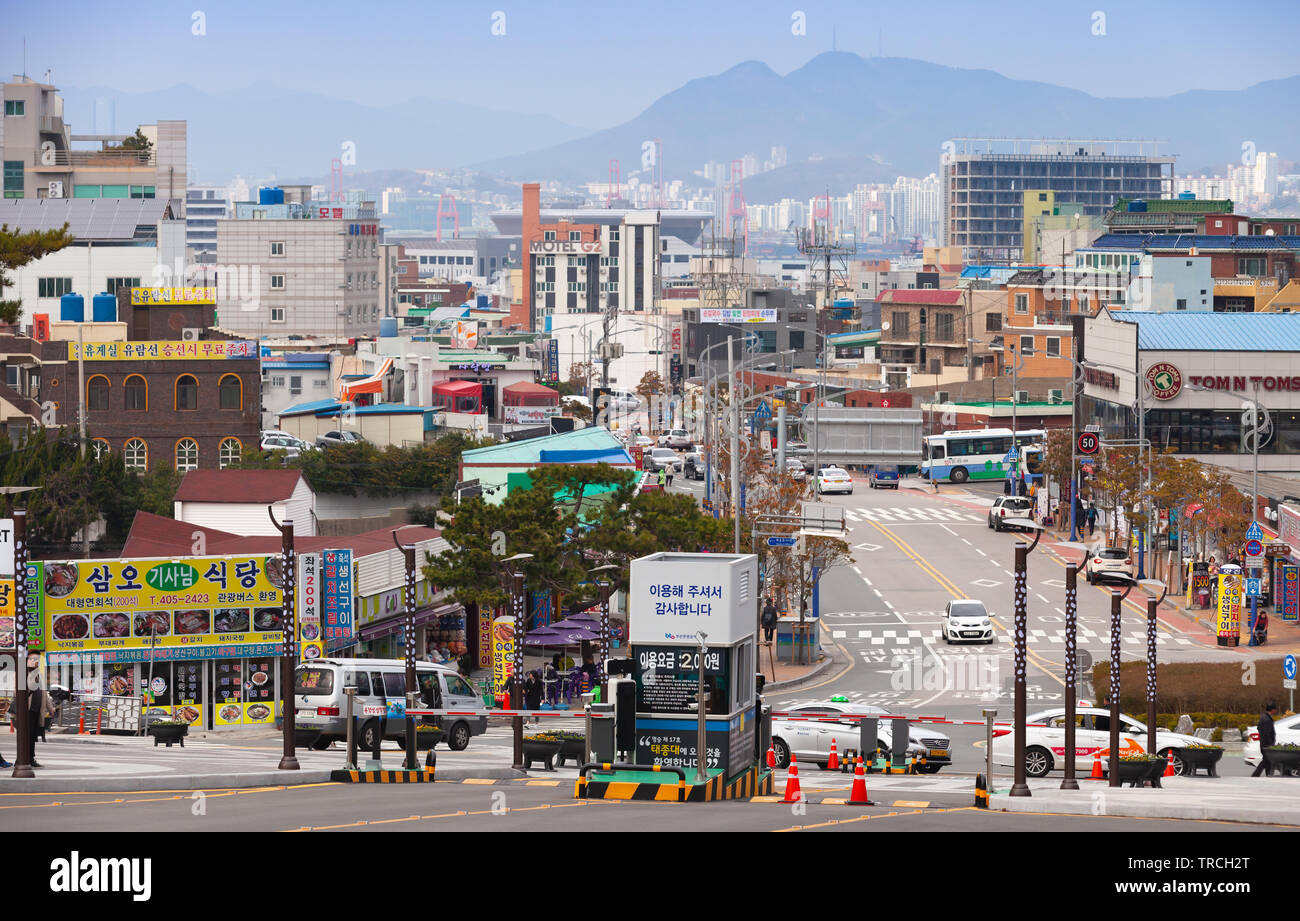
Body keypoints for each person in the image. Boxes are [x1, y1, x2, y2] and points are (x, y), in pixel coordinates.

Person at [1252, 703, 1279, 777]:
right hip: (1266, 744)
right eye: (1275, 709)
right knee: (1266, 761)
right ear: (1272, 710)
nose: (1276, 711)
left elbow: (1259, 728)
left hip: (1263, 743)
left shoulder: (1263, 717)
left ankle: (1268, 775)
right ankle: (1255, 775)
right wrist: (1269, 745)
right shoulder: (1267, 719)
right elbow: (1266, 733)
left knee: (1267, 761)